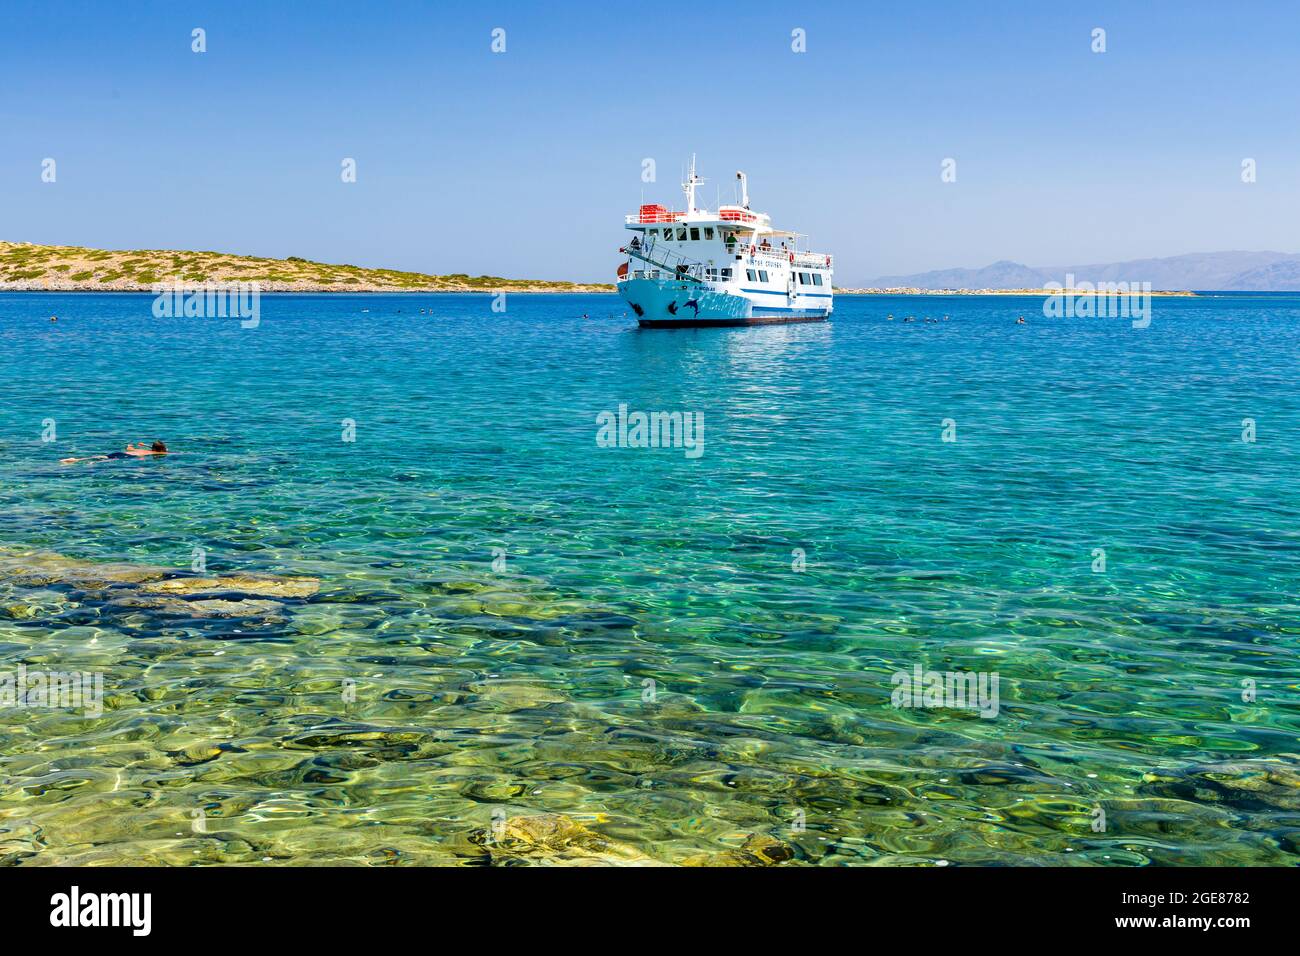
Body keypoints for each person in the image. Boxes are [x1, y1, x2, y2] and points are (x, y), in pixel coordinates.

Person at [61, 441, 169, 465]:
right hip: (126, 456)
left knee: (101, 456)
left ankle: (75, 459)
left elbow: (129, 448)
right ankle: (92, 463)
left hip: (119, 452)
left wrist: (130, 446)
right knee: (103, 460)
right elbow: (167, 453)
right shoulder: (154, 453)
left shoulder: (142, 450)